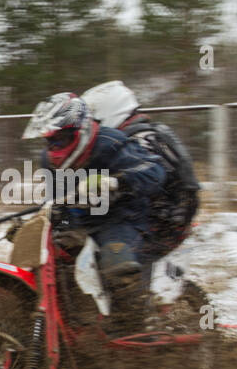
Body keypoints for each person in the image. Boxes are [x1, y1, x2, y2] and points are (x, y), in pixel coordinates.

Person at [21, 92, 169, 334]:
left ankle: (137, 331)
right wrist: (37, 222)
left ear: (78, 132)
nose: (54, 148)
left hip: (122, 218)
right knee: (49, 257)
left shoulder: (110, 143)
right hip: (80, 220)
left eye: (59, 139)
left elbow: (155, 170)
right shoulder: (49, 160)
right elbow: (56, 201)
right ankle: (72, 325)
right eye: (49, 141)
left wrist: (116, 181)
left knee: (116, 264)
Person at [81, 80, 200, 254]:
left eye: (93, 119)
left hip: (161, 222)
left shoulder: (137, 140)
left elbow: (148, 179)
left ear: (108, 112)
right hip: (172, 215)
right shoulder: (150, 133)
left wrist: (112, 183)